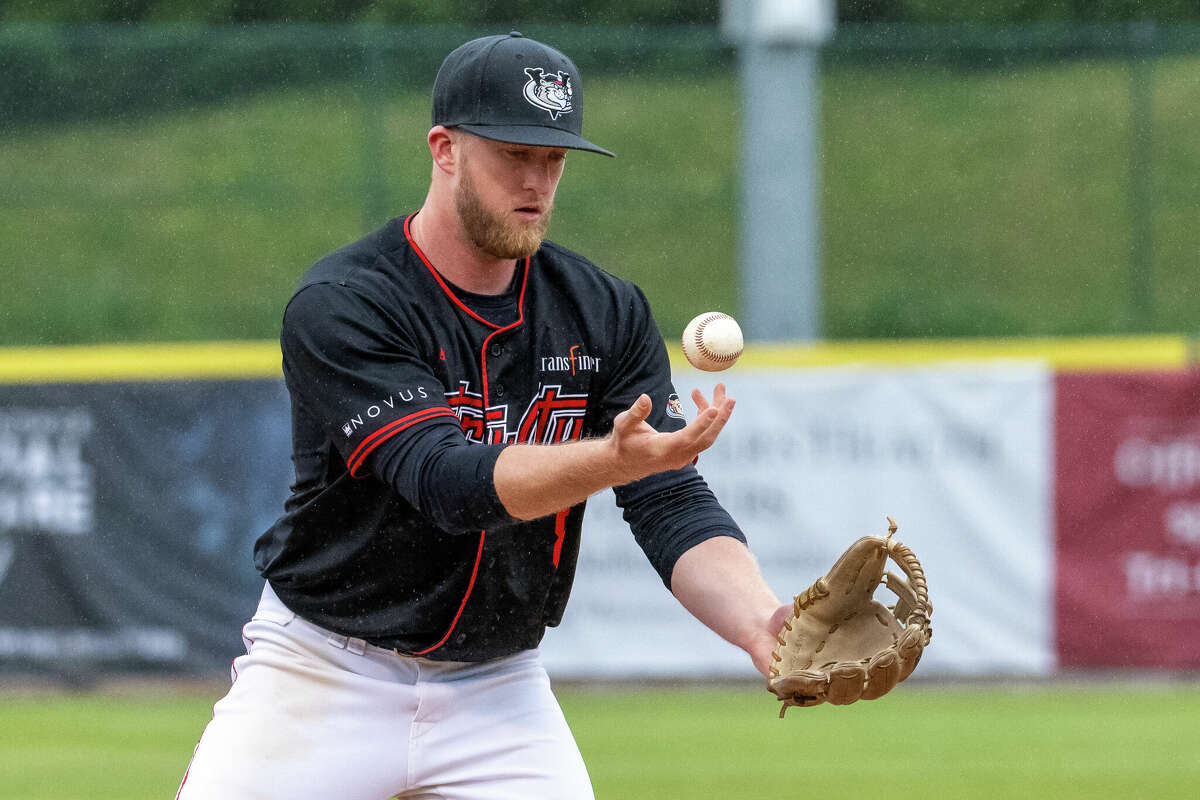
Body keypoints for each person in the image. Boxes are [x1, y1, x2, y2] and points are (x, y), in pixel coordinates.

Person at [177, 31, 788, 800]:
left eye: (553, 159)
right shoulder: (348, 303)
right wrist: (612, 458)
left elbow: (669, 499)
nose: (536, 181)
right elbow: (445, 484)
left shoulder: (603, 311)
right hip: (324, 671)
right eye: (513, 154)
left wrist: (760, 623)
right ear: (446, 149)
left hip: (496, 687)